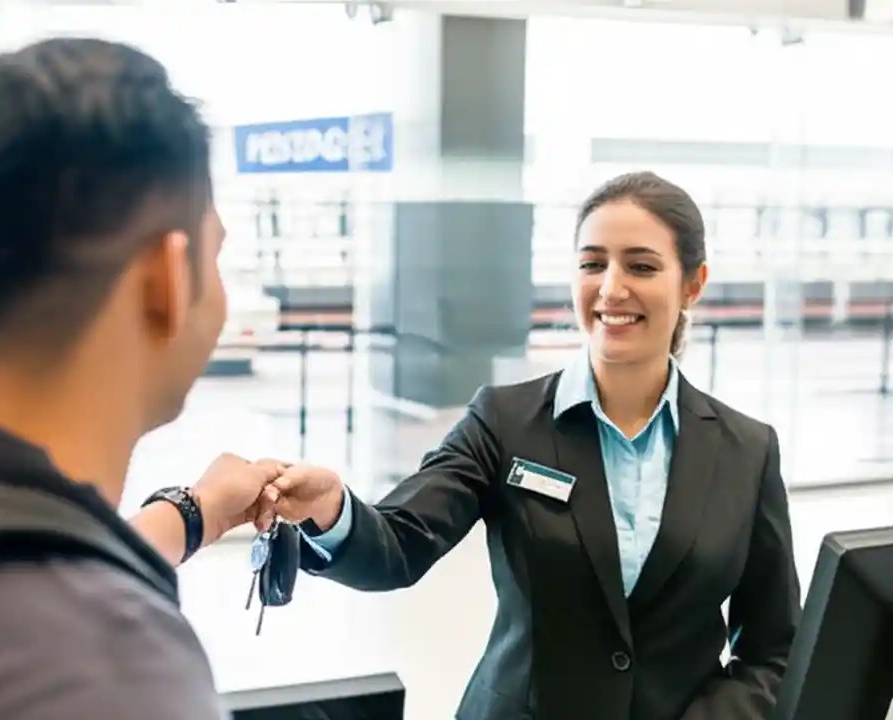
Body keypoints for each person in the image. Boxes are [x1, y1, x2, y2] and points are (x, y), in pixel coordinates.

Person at [0, 38, 281, 718]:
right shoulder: (113, 673)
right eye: (216, 255)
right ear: (165, 277)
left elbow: (13, 553)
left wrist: (197, 510)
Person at [262, 171, 803, 720]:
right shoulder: (504, 421)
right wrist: (331, 507)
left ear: (693, 283)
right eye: (593, 263)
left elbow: (773, 651)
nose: (612, 288)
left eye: (640, 265)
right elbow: (400, 544)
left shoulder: (748, 451)